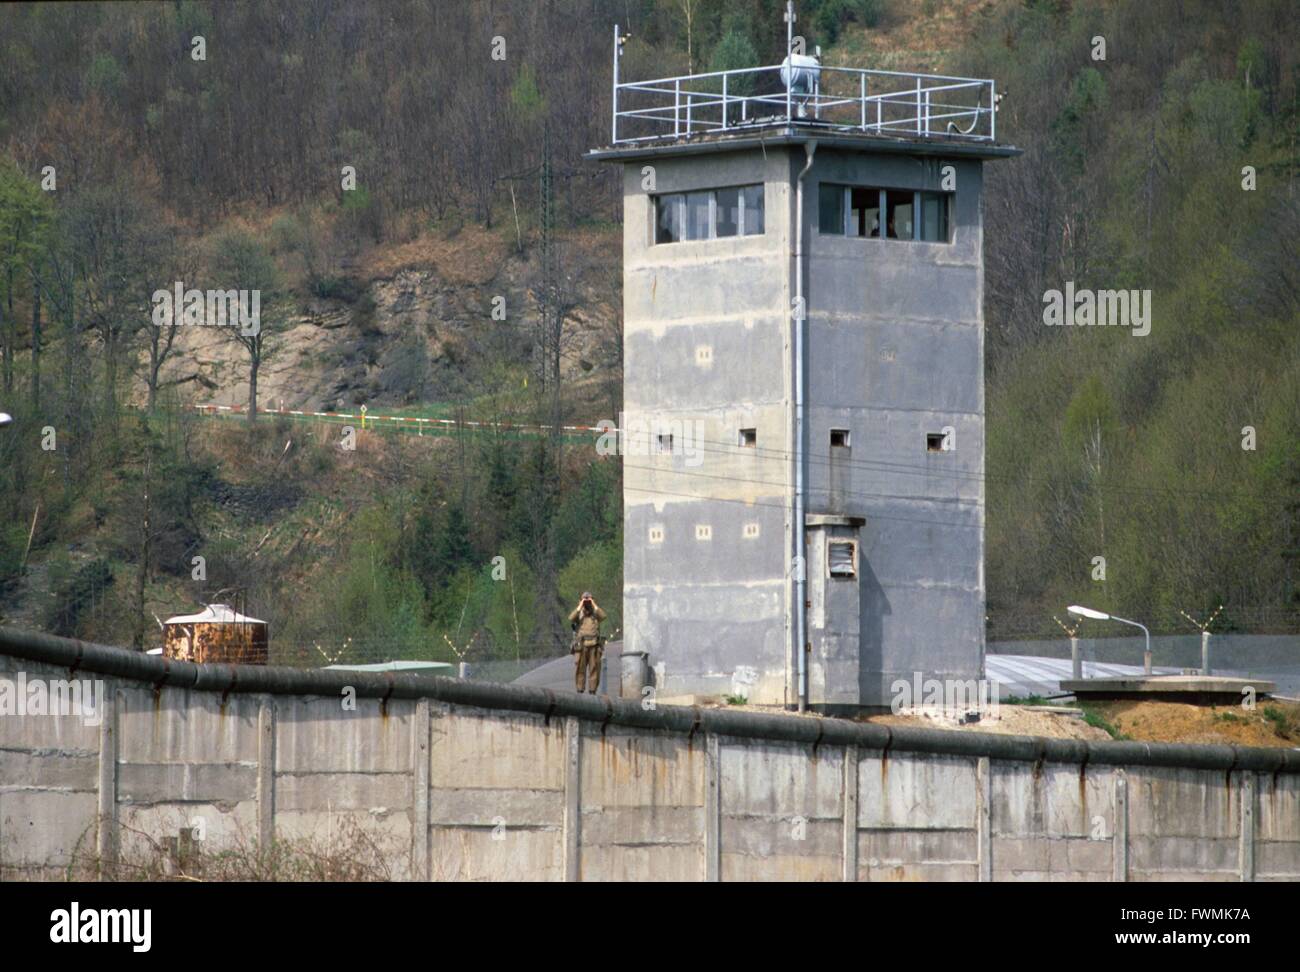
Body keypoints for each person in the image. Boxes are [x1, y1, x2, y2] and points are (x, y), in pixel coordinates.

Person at [568, 592, 606, 694]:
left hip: (594, 645)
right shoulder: (579, 613)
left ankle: (592, 690)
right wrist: (580, 605)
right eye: (585, 600)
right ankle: (580, 689)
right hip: (582, 646)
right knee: (580, 669)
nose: (587, 602)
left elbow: (603, 616)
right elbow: (571, 618)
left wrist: (593, 604)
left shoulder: (595, 613)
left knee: (594, 668)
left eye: (588, 600)